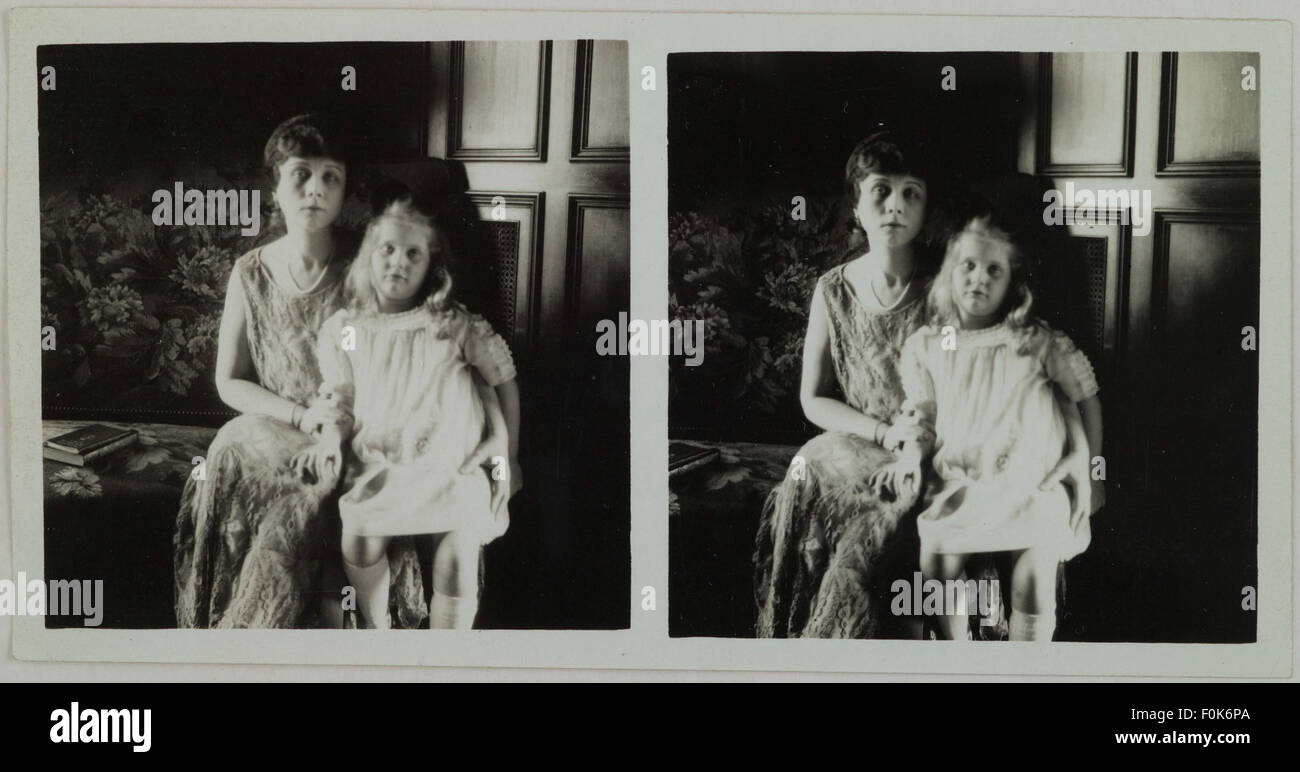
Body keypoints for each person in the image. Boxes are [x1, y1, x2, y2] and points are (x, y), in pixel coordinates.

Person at [174, 114, 502, 628]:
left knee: (340, 479)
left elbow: (444, 351)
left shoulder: (374, 260)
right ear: (275, 186)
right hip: (282, 419)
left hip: (366, 418)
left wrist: (498, 435)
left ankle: (352, 630)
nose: (315, 190)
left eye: (331, 177)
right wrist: (301, 416)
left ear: (346, 188)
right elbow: (228, 380)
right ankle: (267, 638)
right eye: (301, 175)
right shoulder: (251, 272)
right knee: (280, 480)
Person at [290, 187, 521, 629]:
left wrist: (509, 455)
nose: (398, 262)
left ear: (431, 268)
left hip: (451, 463)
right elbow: (341, 396)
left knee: (459, 545)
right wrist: (330, 441)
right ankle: (378, 633)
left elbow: (504, 380)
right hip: (381, 460)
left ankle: (445, 650)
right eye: (388, 250)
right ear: (367, 257)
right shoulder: (348, 329)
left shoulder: (450, 325)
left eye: (413, 254)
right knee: (357, 536)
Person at [869, 208, 1104, 642]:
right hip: (961, 477)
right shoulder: (928, 346)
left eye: (993, 270)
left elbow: (1084, 396)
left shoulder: (1033, 341)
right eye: (968, 267)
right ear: (948, 274)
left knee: (1035, 569)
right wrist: (909, 457)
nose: (979, 278)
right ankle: (958, 658)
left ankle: (1027, 659)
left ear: (1011, 282)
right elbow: (923, 415)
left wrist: (1093, 472)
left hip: (1032, 478)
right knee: (937, 561)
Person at [753, 129, 940, 638]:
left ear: (925, 210)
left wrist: (914, 441)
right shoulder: (832, 290)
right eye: (880, 189)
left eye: (911, 193)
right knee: (807, 468)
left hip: (932, 443)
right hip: (862, 439)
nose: (895, 206)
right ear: (856, 205)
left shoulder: (946, 287)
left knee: (885, 528)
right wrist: (880, 433)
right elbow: (813, 398)